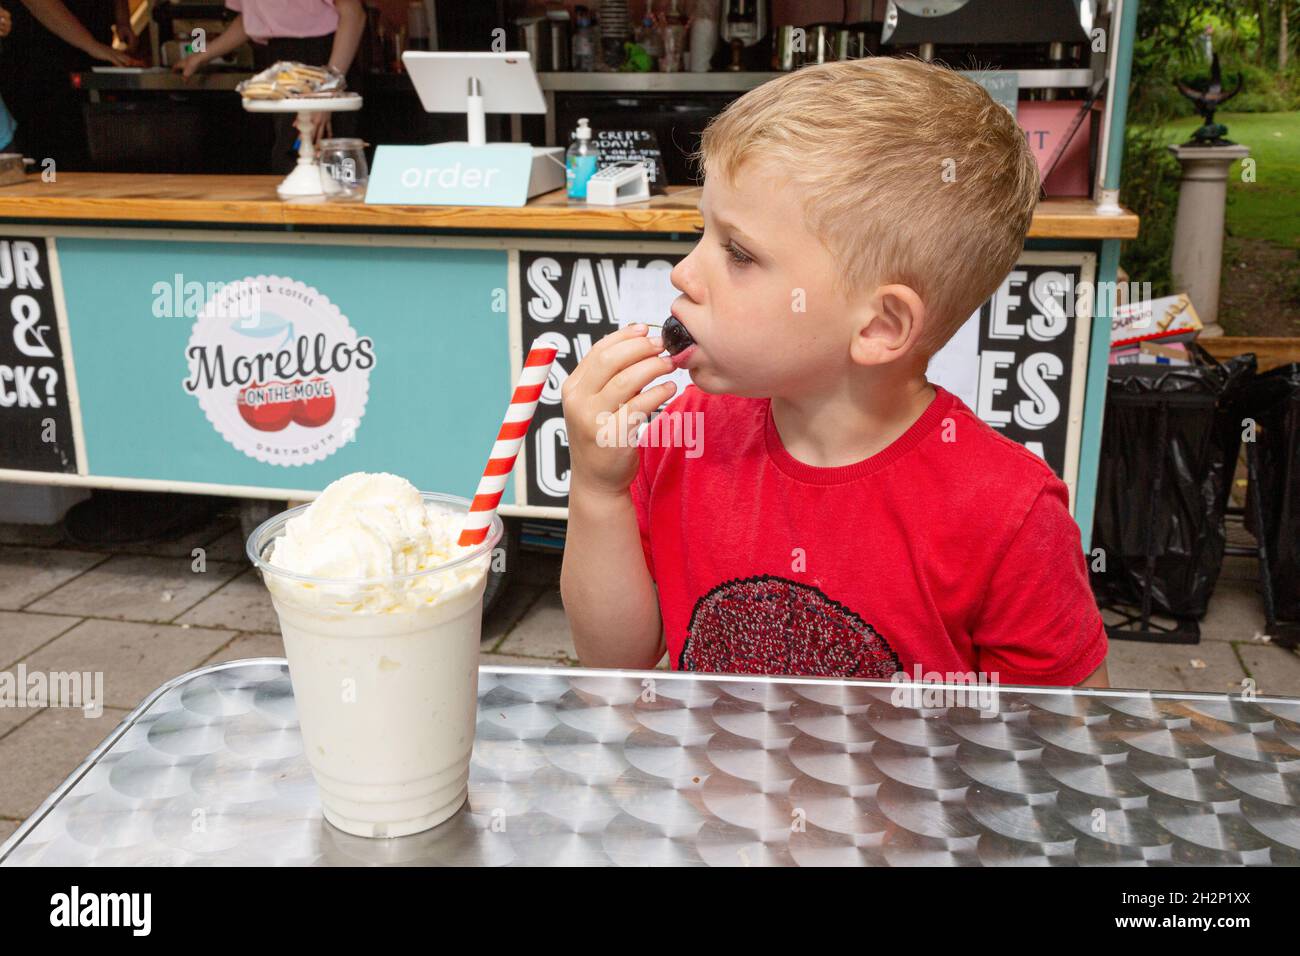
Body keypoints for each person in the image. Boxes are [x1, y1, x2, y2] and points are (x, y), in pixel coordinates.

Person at [559, 57, 1110, 687]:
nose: (683, 272)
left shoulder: (1008, 516)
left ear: (879, 327)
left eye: (739, 253)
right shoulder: (689, 434)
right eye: (701, 230)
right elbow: (615, 659)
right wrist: (599, 490)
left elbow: (1064, 737)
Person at [176, 0, 364, 174]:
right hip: (278, 61)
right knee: (288, 160)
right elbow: (251, 20)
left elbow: (353, 14)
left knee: (321, 163)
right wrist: (200, 56)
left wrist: (328, 91)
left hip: (326, 60)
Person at [0, 0, 140, 169]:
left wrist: (122, 19)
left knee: (93, 148)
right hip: (41, 56)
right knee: (53, 155)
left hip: (92, 43)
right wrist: (92, 45)